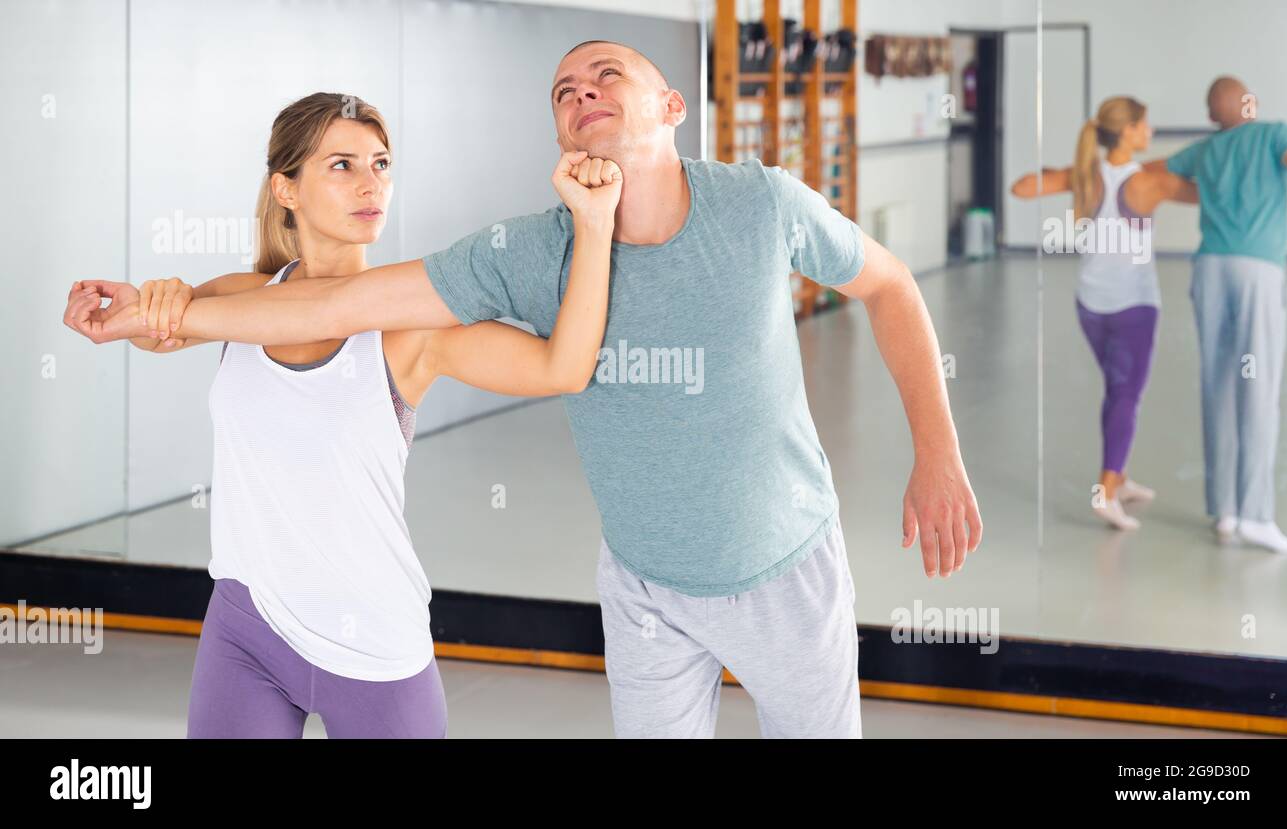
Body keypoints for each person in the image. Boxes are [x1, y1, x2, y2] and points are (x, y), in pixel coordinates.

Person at [68, 41, 982, 738]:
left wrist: (937, 452)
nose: (582, 93)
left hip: (786, 574)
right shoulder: (526, 252)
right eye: (564, 92)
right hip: (643, 591)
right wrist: (168, 308)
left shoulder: (764, 205)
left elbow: (891, 286)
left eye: (605, 77)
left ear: (670, 106)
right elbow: (337, 298)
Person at [64, 91, 623, 736]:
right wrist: (141, 304)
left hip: (374, 643)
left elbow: (564, 366)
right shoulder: (245, 298)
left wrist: (594, 224)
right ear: (286, 189)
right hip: (246, 625)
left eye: (381, 163)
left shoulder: (409, 330)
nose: (371, 183)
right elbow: (162, 330)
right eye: (342, 165)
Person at [1011, 96, 1198, 530]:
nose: (1150, 131)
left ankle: (1122, 477)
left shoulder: (1086, 177)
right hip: (1134, 308)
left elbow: (1020, 188)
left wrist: (1062, 177)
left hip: (1090, 305)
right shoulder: (1148, 181)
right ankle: (1106, 492)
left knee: (1117, 392)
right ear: (1129, 131)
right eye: (1145, 125)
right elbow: (1205, 194)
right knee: (1126, 397)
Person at [1153, 76, 1287, 553]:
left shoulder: (1204, 152)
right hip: (1257, 269)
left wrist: (1210, 195)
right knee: (1258, 388)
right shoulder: (1277, 133)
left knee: (1217, 383)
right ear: (1248, 103)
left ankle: (1225, 511)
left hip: (1211, 266)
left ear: (1214, 115)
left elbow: (1152, 177)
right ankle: (1256, 515)